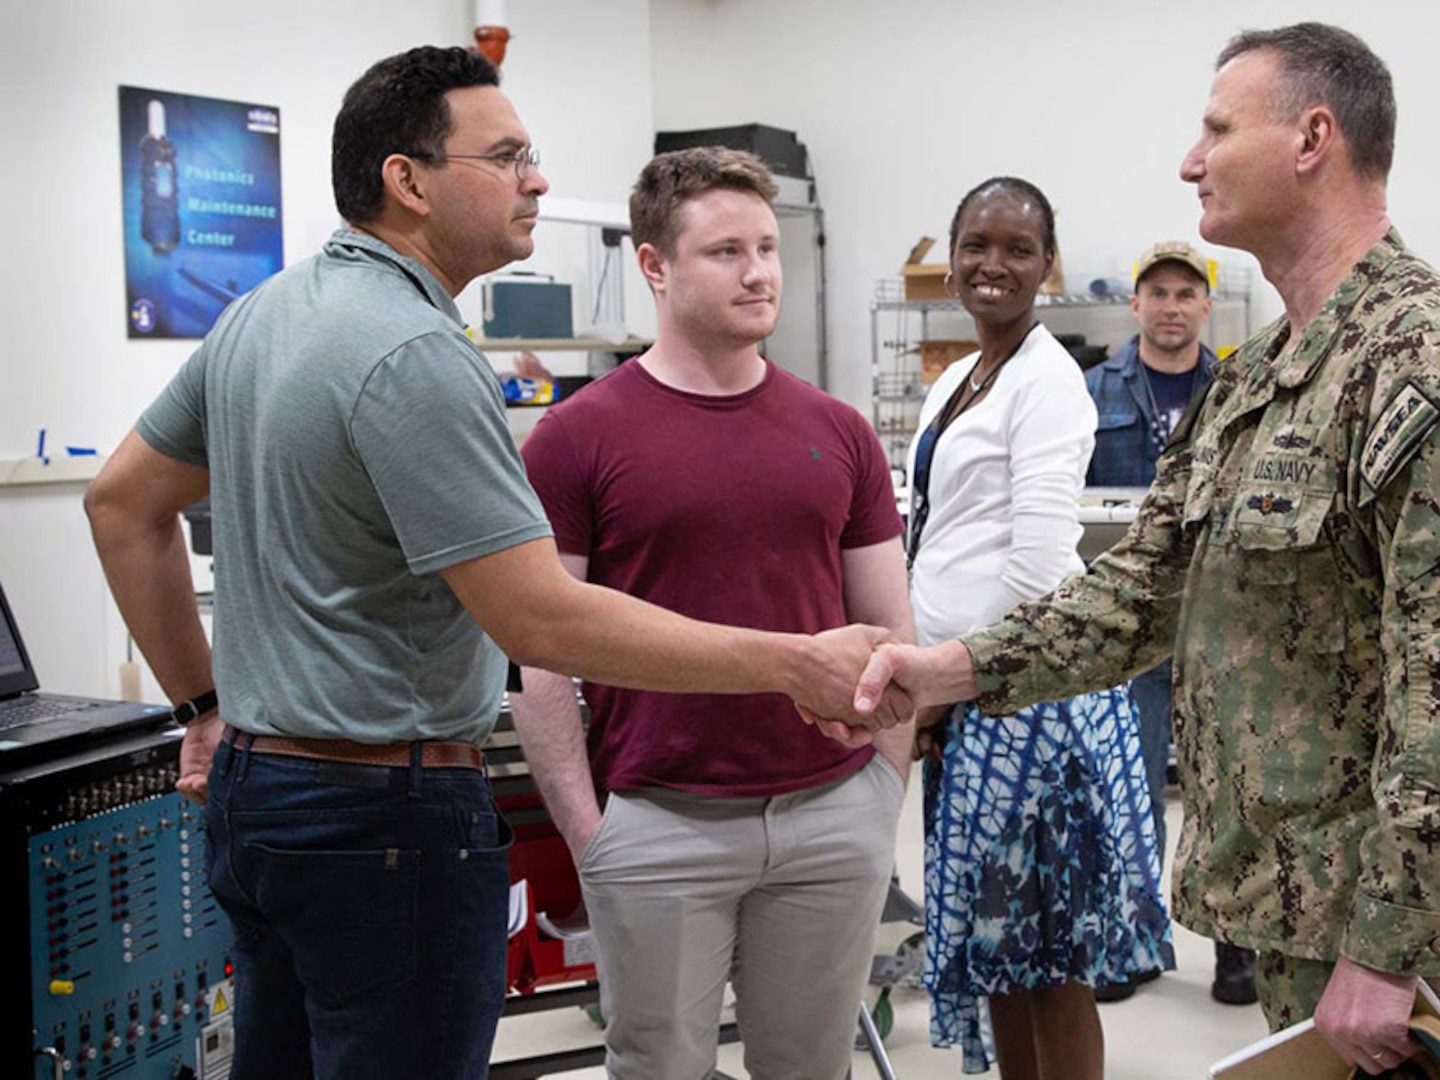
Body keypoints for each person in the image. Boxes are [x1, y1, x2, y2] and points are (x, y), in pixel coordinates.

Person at [83, 48, 903, 1080]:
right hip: (383, 819)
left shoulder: (260, 315)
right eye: (508, 156)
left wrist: (201, 703)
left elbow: (119, 505)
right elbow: (539, 621)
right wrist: (791, 663)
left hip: (264, 800)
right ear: (409, 181)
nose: (539, 179)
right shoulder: (419, 356)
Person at [843, 23, 1440, 1080]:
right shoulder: (1262, 375)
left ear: (1312, 138)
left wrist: (1389, 946)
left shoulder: (1433, 360)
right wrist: (945, 672)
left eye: (1217, 130)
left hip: (1399, 941)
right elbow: (1140, 591)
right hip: (1290, 905)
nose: (1189, 160)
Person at [509, 147, 915, 1080]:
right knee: (658, 1067)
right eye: (726, 251)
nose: (760, 272)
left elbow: (890, 628)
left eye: (767, 248)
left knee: (812, 1066)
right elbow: (539, 649)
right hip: (660, 820)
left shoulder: (837, 430)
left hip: (830, 809)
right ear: (655, 266)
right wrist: (587, 830)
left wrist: (881, 795)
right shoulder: (575, 438)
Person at [905, 175, 1170, 1079]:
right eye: (976, 244)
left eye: (1017, 249)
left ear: (1045, 267)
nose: (993, 264)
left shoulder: (1049, 382)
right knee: (1000, 955)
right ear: (950, 258)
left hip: (1029, 708)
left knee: (1051, 961)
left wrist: (946, 683)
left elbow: (1034, 564)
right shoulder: (959, 381)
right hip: (972, 700)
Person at [1083, 240, 1255, 1007]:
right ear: (1135, 304)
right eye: (1158, 292)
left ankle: (1237, 948)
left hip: (1227, 624)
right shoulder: (1092, 392)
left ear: (1204, 306)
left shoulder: (1242, 388)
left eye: (1186, 293)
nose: (1172, 306)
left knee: (1233, 794)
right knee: (1130, 789)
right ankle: (1129, 942)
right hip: (1133, 627)